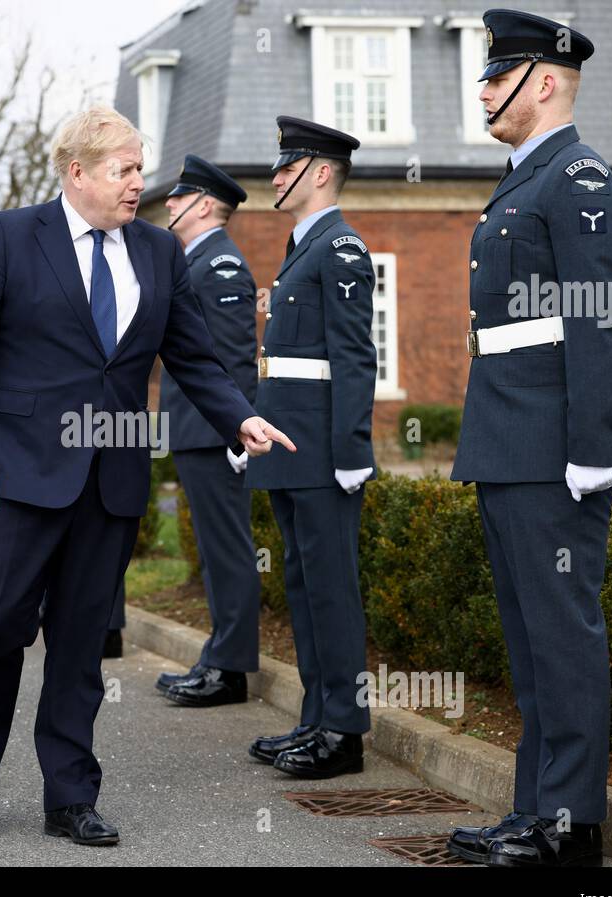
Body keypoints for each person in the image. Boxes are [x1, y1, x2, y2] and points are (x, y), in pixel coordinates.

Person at [0, 106, 293, 845]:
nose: (140, 183)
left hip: (110, 481)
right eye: (124, 169)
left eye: (140, 167)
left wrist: (239, 416)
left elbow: (193, 353)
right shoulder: (8, 237)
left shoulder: (161, 253)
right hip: (16, 477)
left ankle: (70, 794)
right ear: (76, 172)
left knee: (80, 643)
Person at [446, 9, 612, 869]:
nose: (483, 89)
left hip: (555, 445)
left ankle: (570, 825)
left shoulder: (577, 178)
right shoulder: (527, 178)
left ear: (545, 82)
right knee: (529, 645)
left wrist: (591, 445)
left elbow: (596, 323)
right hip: (509, 436)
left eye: (498, 75)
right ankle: (533, 812)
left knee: (561, 638)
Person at [244, 116, 378, 779]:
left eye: (286, 164)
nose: (274, 175)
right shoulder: (304, 246)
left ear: (319, 172)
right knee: (302, 584)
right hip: (293, 446)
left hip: (325, 451)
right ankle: (316, 716)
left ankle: (344, 733)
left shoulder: (340, 247)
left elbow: (355, 358)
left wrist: (353, 449)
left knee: (331, 590)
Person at [154, 154, 261, 707]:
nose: (168, 203)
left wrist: (234, 432)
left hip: (211, 431)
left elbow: (234, 358)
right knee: (215, 550)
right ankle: (219, 656)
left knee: (227, 549)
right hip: (195, 428)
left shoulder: (218, 265)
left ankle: (231, 667)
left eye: (179, 197)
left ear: (203, 205)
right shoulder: (197, 260)